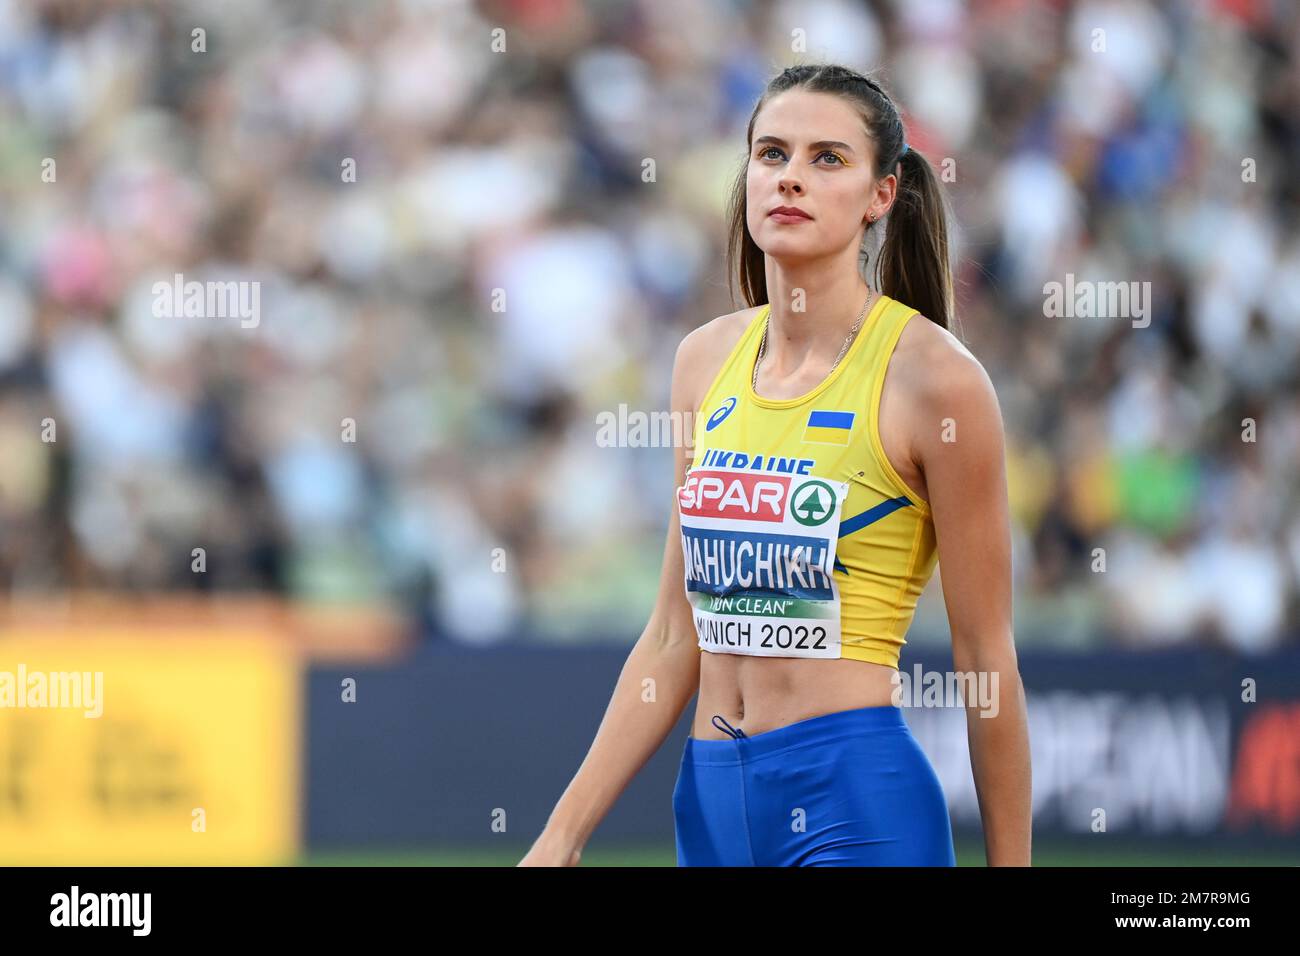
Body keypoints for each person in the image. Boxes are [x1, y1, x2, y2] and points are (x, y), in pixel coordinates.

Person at [520, 64, 1030, 867]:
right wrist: (562, 834)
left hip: (854, 801)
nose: (790, 176)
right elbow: (669, 637)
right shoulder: (703, 361)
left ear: (881, 194)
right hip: (713, 801)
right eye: (771, 153)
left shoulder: (937, 380)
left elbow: (985, 656)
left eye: (827, 158)